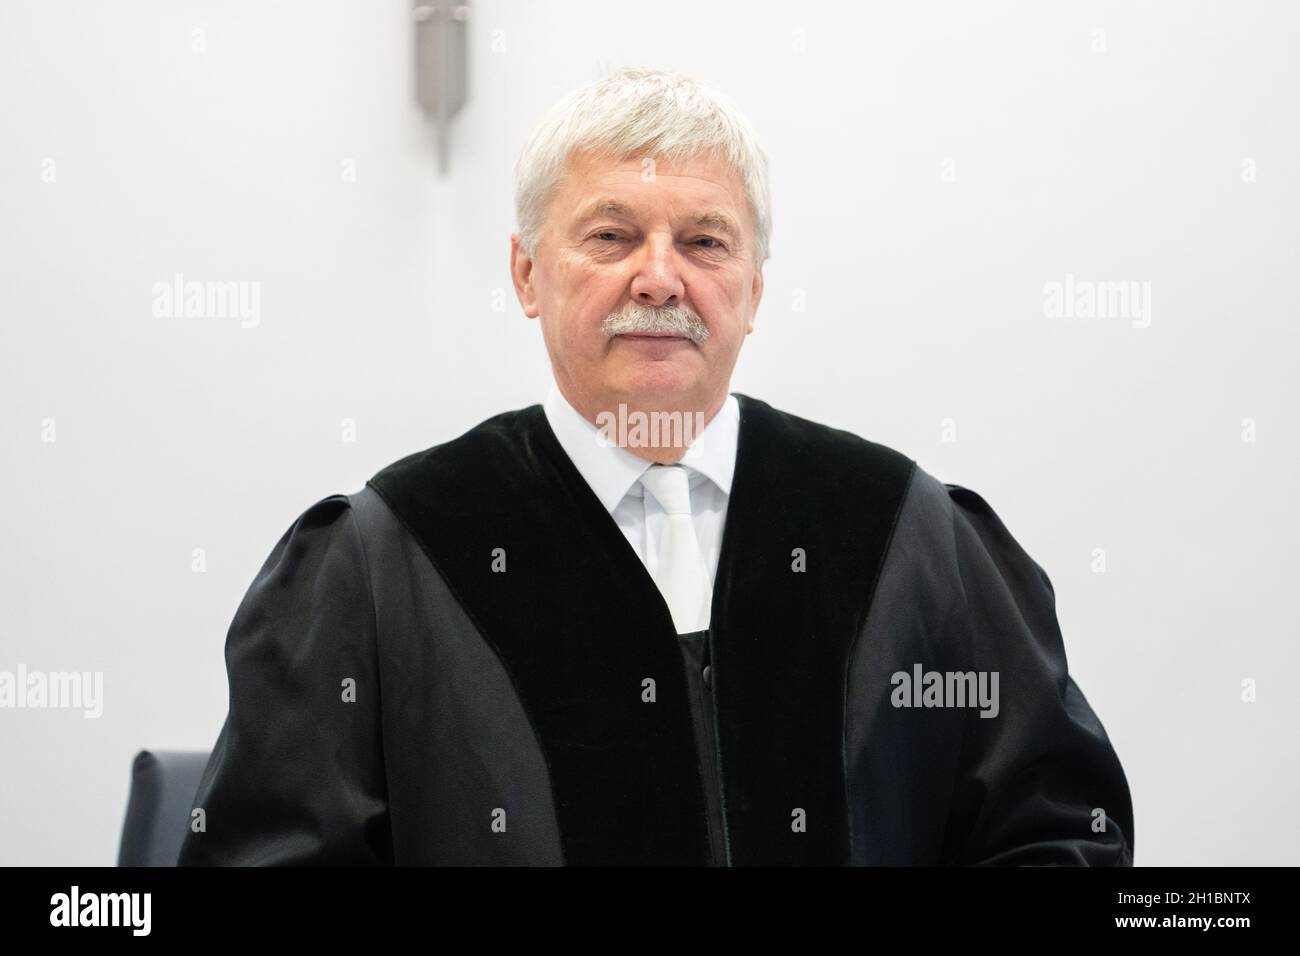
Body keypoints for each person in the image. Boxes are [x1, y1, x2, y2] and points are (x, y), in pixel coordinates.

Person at [179, 67, 1133, 866]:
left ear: (753, 288)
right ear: (526, 274)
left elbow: (1052, 835)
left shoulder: (905, 536)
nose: (661, 277)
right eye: (612, 235)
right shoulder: (388, 559)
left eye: (705, 241)